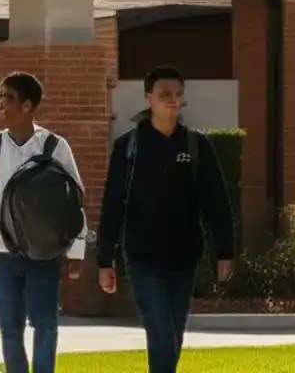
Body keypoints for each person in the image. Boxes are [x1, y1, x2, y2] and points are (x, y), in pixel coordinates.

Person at [96, 65, 236, 373]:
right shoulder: (128, 147)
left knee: (173, 330)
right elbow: (112, 205)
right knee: (158, 327)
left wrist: (225, 251)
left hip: (184, 255)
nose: (173, 100)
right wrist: (105, 258)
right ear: (149, 98)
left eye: (177, 94)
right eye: (164, 94)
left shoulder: (196, 146)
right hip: (142, 255)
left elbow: (216, 203)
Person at [0, 71, 88, 373]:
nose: (1, 104)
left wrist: (77, 251)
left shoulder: (55, 147)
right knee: (10, 330)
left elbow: (74, 201)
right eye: (1, 96)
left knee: (45, 325)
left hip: (45, 254)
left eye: (9, 98)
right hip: (3, 254)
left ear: (28, 106)